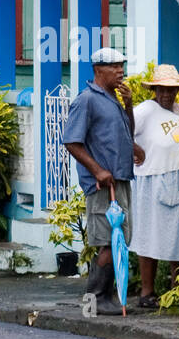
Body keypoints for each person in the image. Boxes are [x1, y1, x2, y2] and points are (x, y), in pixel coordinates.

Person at [62, 47, 145, 313]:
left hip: (120, 178)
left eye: (122, 66)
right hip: (102, 184)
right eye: (114, 67)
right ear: (98, 71)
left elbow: (124, 132)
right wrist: (97, 170)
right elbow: (72, 141)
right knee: (107, 239)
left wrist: (129, 106)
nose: (121, 71)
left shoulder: (113, 98)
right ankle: (96, 301)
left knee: (119, 238)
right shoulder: (87, 99)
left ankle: (107, 298)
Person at [131, 64, 179, 308]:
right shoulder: (145, 110)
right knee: (150, 235)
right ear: (154, 89)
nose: (166, 94)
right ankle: (147, 293)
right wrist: (135, 150)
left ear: (178, 91)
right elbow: (121, 130)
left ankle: (178, 291)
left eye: (171, 90)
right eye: (161, 89)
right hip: (154, 180)